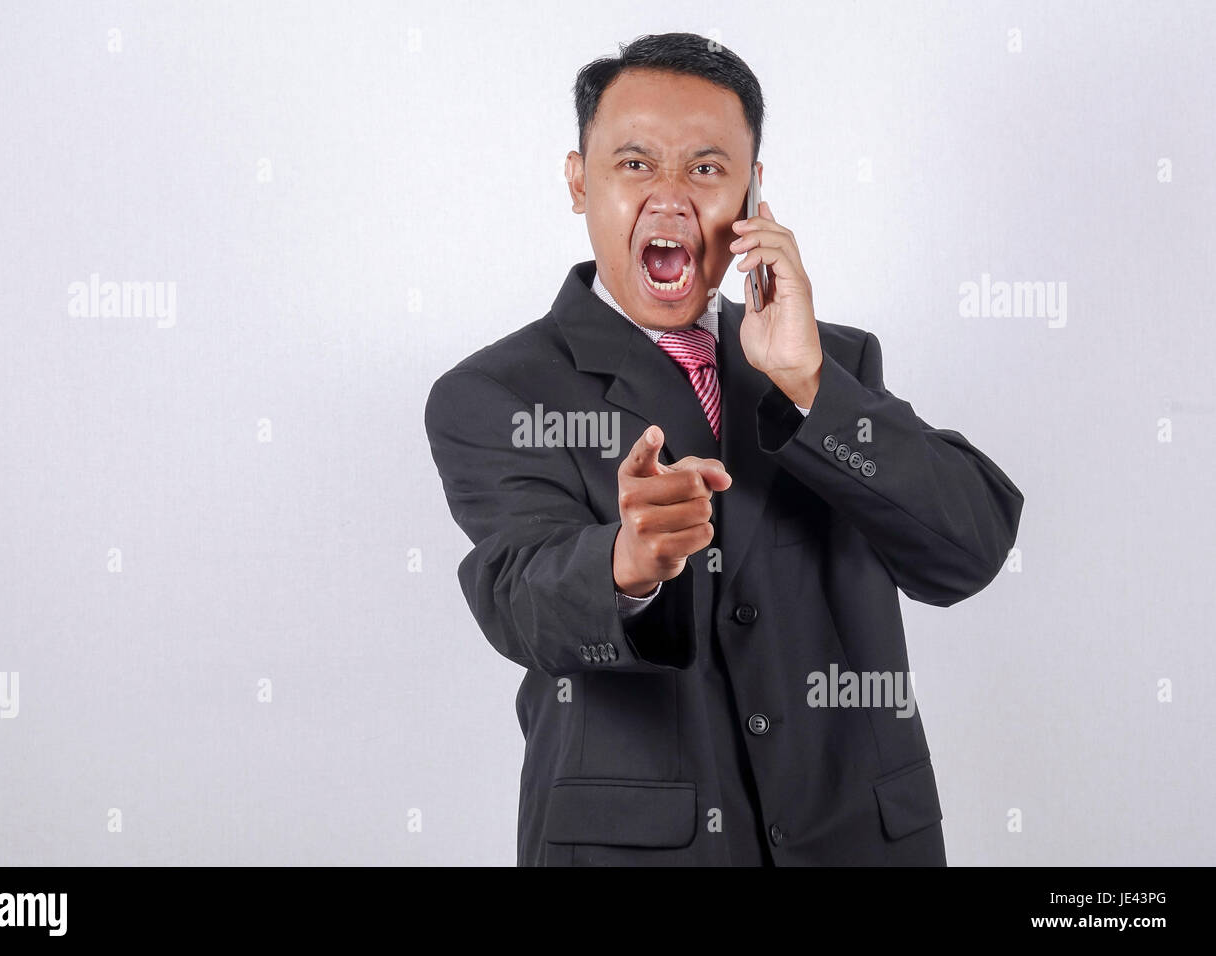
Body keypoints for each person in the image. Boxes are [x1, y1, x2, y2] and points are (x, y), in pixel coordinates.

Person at [424, 32, 1023, 866]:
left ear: (752, 193)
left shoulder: (833, 362)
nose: (670, 199)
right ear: (577, 181)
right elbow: (519, 594)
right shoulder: (492, 392)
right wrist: (626, 562)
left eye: (706, 170)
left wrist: (812, 388)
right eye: (635, 164)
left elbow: (970, 550)